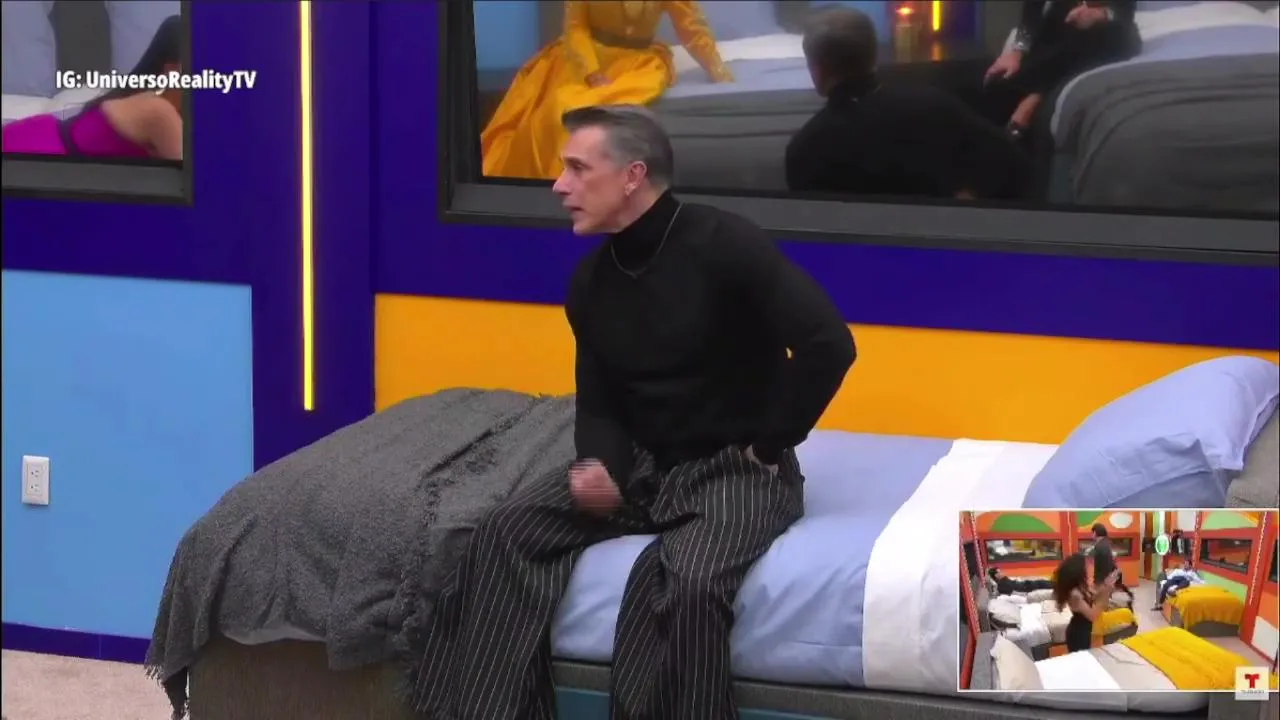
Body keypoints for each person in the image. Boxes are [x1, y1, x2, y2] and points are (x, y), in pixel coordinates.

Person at [404, 104, 856, 720]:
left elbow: (829, 344)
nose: (559, 186)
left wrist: (769, 444)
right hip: (645, 464)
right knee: (504, 533)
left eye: (576, 168)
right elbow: (599, 402)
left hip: (734, 468)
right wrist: (599, 465)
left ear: (632, 175)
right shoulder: (592, 282)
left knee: (688, 581)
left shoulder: (724, 243)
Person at [786, 7, 1029, 201]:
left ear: (817, 69)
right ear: (873, 55)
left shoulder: (805, 149)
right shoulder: (934, 107)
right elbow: (1012, 165)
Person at [481, 0, 733, 181]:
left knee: (592, 110)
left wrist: (718, 71)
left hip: (639, 64)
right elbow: (576, 28)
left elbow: (690, 27)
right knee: (556, 112)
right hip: (585, 58)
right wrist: (591, 72)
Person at [1, 15, 184, 161]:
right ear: (171, 70)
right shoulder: (159, 111)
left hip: (40, 141)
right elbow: (193, 183)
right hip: (37, 152)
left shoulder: (153, 102)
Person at [984, 0, 1140, 139]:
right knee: (998, 84)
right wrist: (1017, 52)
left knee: (1094, 37)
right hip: (1060, 36)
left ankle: (1034, 98)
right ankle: (1038, 92)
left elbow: (1124, 13)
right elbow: (1032, 11)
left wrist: (1100, 14)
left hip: (1107, 35)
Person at [1053, 552, 1120, 653]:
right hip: (1078, 634)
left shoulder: (1080, 586)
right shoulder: (1075, 595)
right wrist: (1106, 592)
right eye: (1086, 566)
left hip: (1084, 630)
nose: (1089, 568)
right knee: (1081, 659)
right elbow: (1092, 615)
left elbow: (1094, 595)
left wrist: (1106, 584)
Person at [1087, 523, 1133, 603]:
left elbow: (1103, 565)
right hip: (1110, 574)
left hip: (1104, 578)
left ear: (1095, 533)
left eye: (1092, 532)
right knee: (1102, 597)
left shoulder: (1100, 546)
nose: (1092, 535)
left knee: (1099, 599)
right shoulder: (1105, 543)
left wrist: (1100, 581)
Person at [988, 567, 1053, 596]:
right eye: (1000, 572)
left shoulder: (1002, 581)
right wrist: (1026, 594)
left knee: (1042, 581)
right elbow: (1014, 592)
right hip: (1027, 587)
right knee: (1042, 582)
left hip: (1025, 584)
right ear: (996, 575)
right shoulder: (1001, 585)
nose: (1002, 572)